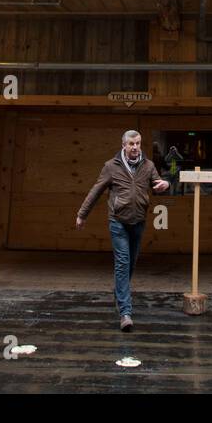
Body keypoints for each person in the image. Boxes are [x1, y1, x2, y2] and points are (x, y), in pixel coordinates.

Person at [75, 130, 169, 331]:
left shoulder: (148, 165)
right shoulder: (111, 166)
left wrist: (165, 184)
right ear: (123, 145)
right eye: (131, 144)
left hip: (138, 221)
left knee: (131, 263)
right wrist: (82, 214)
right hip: (118, 221)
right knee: (123, 262)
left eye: (138, 143)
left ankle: (119, 293)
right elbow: (96, 190)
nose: (135, 147)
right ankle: (125, 313)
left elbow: (158, 182)